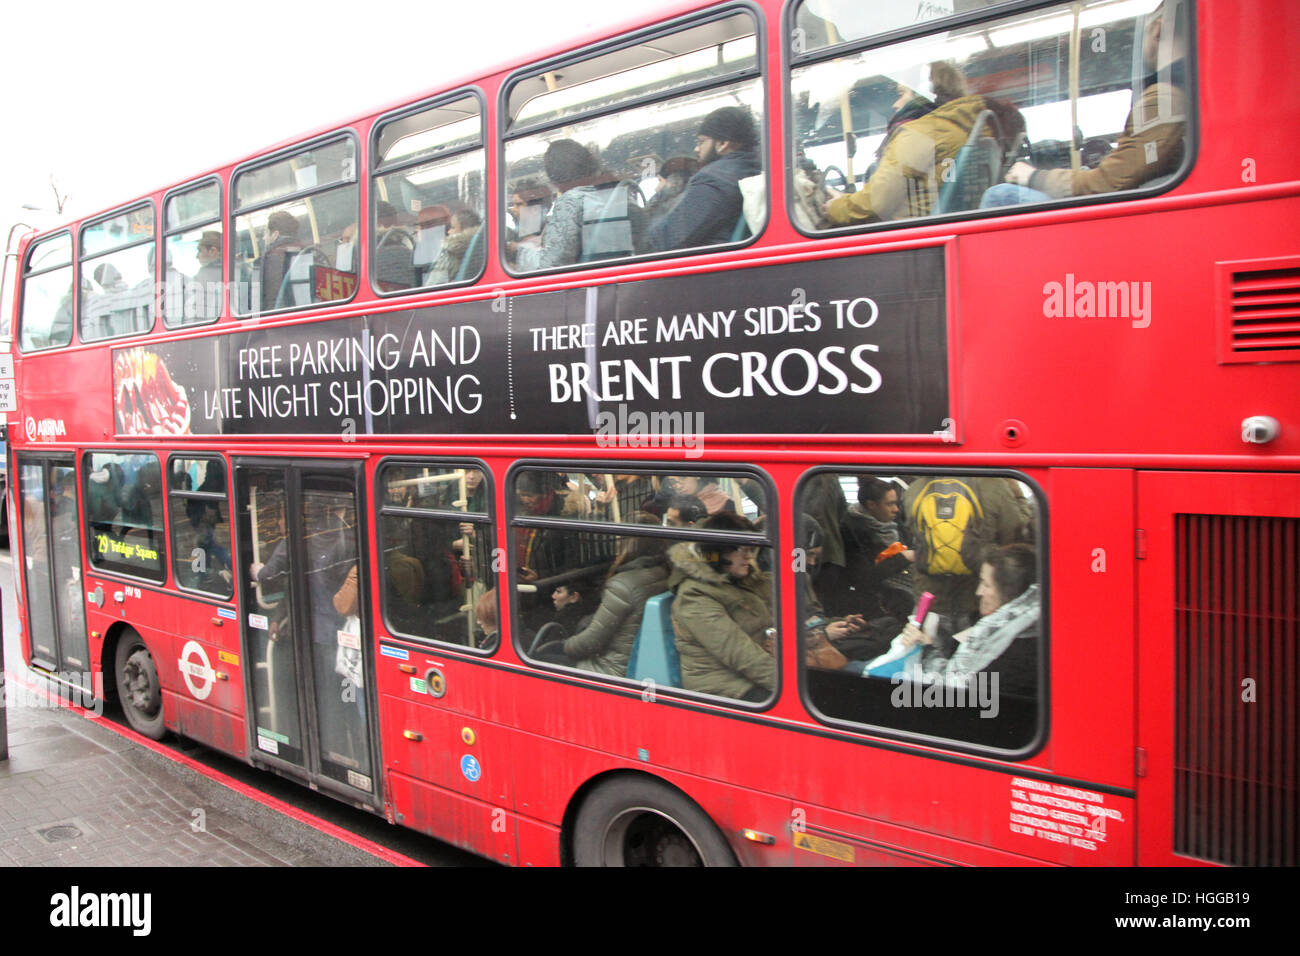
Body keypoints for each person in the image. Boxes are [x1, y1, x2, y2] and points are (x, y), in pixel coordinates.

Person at [989, 0, 1186, 206]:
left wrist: (1033, 176)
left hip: (1129, 213)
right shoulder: (1181, 91)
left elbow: (1107, 183)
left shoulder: (1164, 99)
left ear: (1158, 29)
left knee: (999, 195)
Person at [822, 63, 1025, 225]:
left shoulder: (920, 134)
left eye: (902, 94)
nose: (896, 104)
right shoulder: (967, 130)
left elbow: (878, 203)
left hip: (907, 238)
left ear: (924, 94)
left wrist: (835, 208)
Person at [879, 543, 1040, 697]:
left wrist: (926, 650)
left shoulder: (1005, 657)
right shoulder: (1018, 633)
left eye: (986, 584)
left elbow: (949, 696)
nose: (979, 592)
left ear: (1011, 595)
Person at [668, 512, 775, 702]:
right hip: (721, 685)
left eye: (751, 549)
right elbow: (739, 653)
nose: (749, 556)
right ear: (721, 551)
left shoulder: (743, 579)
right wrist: (790, 684)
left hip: (752, 670)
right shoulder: (694, 596)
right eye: (742, 549)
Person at [558, 516, 671, 676]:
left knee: (545, 659)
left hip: (611, 668)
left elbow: (591, 641)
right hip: (634, 657)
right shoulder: (662, 571)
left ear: (629, 544)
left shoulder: (623, 585)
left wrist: (563, 645)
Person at [513, 140, 646, 270]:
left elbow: (551, 264)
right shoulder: (619, 196)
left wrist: (516, 252)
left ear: (554, 178)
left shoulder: (572, 201)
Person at [651, 107, 762, 251]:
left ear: (723, 144)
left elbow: (667, 239)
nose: (697, 149)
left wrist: (663, 196)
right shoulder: (750, 168)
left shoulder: (713, 179)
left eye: (701, 141)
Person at [826, 477, 915, 619]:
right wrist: (903, 558)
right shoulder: (852, 531)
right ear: (872, 505)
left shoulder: (893, 523)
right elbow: (864, 579)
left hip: (908, 593)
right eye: (890, 504)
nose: (896, 509)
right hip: (878, 607)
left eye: (896, 503)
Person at [255, 210, 303, 312]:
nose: (264, 238)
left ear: (275, 234)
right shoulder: (306, 251)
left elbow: (272, 299)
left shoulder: (272, 256)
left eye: (266, 233)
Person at [423, 208, 481, 285]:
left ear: (464, 231)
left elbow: (433, 285)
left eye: (453, 227)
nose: (448, 231)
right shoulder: (480, 249)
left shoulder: (450, 252)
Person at [644, 155, 700, 229]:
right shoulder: (692, 205)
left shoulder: (669, 208)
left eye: (660, 181)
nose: (656, 188)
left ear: (673, 183)